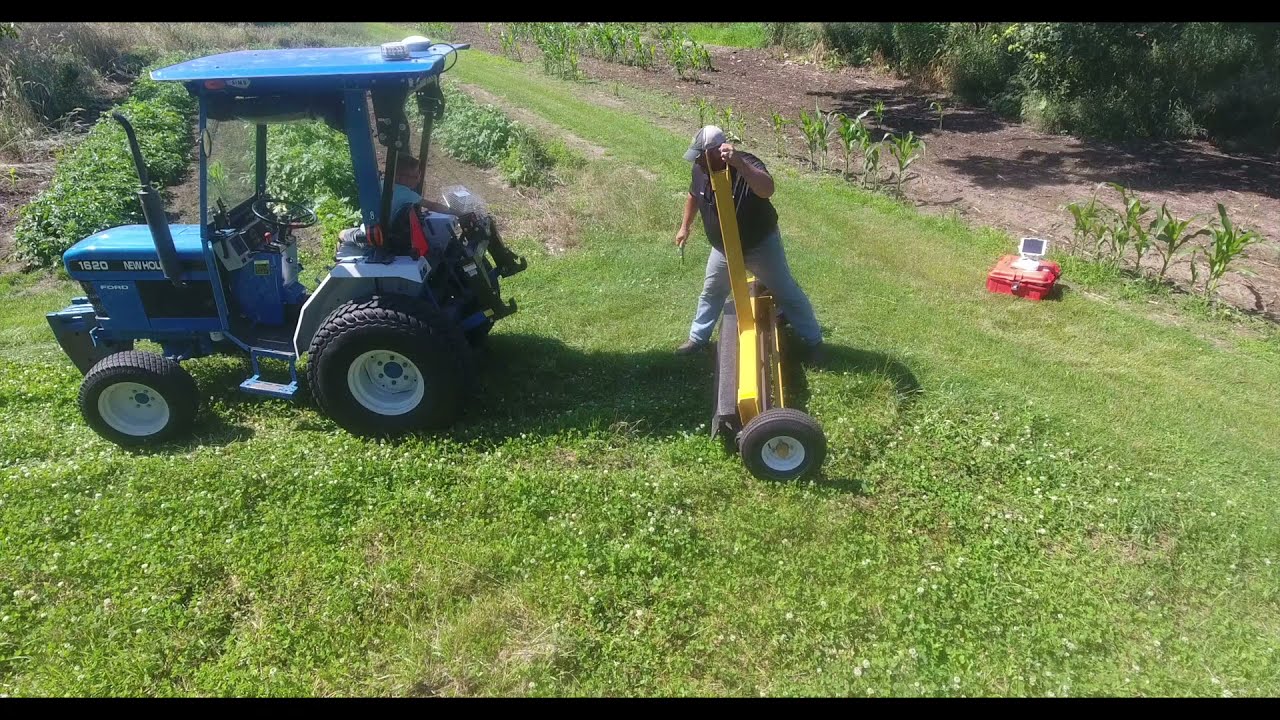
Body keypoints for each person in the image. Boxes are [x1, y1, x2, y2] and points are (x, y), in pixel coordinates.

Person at [674, 125, 825, 364]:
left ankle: (814, 342)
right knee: (712, 291)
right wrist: (685, 226)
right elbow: (693, 196)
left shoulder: (748, 164)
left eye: (701, 156)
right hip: (724, 248)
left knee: (786, 291)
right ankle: (697, 338)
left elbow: (767, 190)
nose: (698, 162)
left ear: (717, 152)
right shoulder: (700, 169)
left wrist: (740, 165)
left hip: (759, 245)